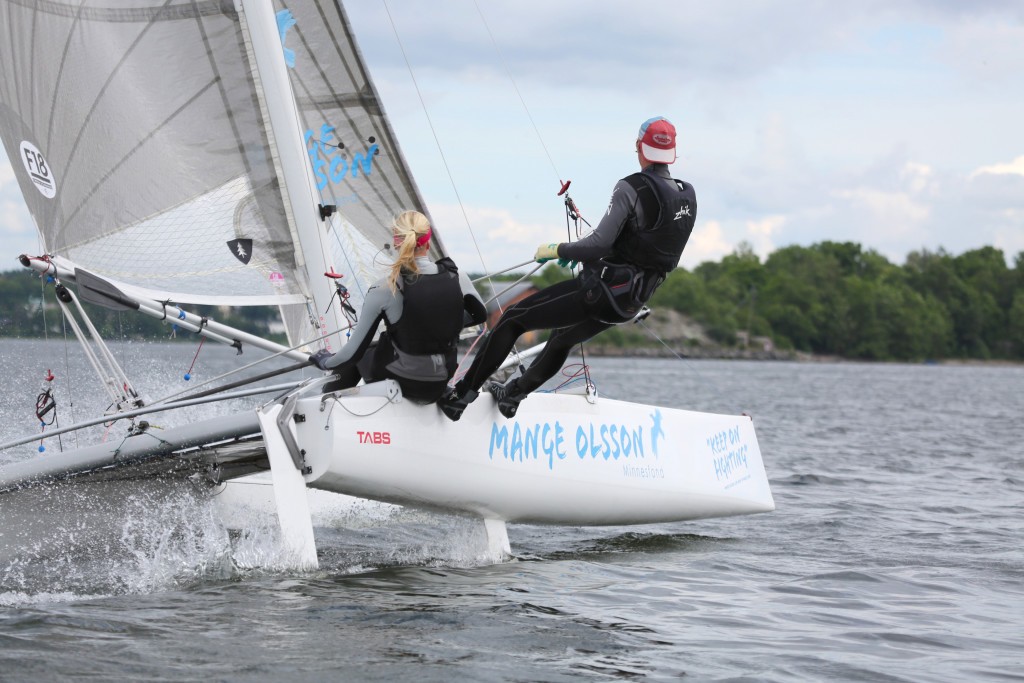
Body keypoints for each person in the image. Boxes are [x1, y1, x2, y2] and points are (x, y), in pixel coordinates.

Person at [438, 117, 696, 421]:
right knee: (562, 338)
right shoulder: (687, 196)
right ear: (672, 153)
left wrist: (558, 249)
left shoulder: (631, 187)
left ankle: (459, 397)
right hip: (630, 303)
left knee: (512, 319)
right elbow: (645, 247)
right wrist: (591, 253)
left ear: (639, 147)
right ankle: (513, 394)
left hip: (600, 293)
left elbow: (598, 244)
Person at [311, 210, 486, 404]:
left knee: (361, 354)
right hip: (439, 383)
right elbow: (479, 314)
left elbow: (353, 352)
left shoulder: (385, 287)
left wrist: (325, 361)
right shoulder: (458, 278)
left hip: (403, 383)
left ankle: (323, 405)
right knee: (380, 347)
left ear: (397, 244)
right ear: (428, 243)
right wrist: (439, 325)